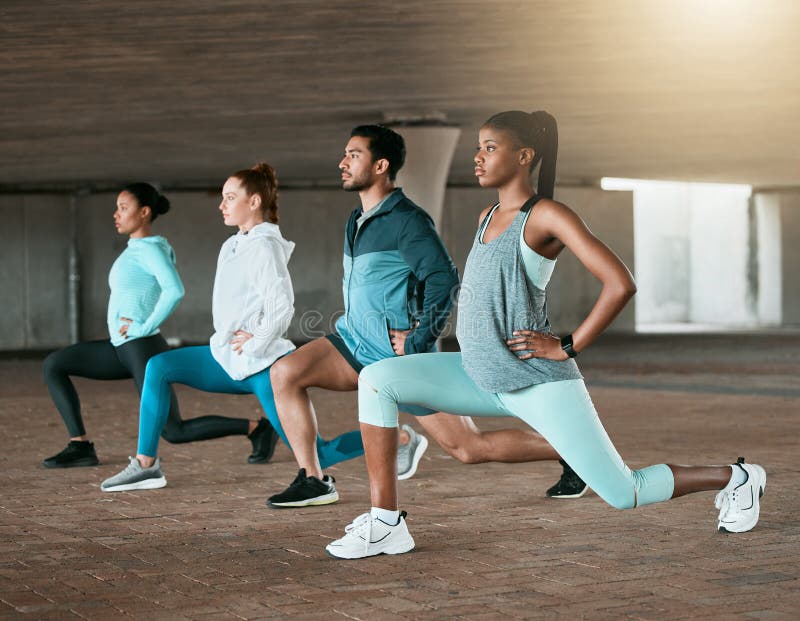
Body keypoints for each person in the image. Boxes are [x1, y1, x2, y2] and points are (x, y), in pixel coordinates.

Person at [325, 111, 767, 559]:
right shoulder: (488, 214)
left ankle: (738, 478)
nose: (477, 157)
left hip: (535, 380)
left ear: (524, 155)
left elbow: (620, 283)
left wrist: (568, 345)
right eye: (478, 147)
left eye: (490, 148)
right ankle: (386, 523)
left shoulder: (546, 215)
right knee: (378, 378)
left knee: (624, 492)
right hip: (478, 374)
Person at [267, 124, 585, 508]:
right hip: (353, 342)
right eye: (345, 155)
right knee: (285, 372)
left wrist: (418, 338)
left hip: (398, 357)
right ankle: (314, 479)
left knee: (468, 448)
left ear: (381, 165)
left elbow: (443, 277)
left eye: (354, 155)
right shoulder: (356, 220)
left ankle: (574, 454)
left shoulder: (407, 221)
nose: (343, 163)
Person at [100, 164, 363, 492]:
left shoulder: (265, 246)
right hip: (224, 357)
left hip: (262, 366)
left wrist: (256, 341)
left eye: (229, 197)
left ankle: (397, 438)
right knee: (159, 366)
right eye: (222, 198)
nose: (221, 204)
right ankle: (145, 465)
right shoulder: (233, 244)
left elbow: (281, 305)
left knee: (318, 454)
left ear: (253, 202)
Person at [42, 183, 276, 469]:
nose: (116, 214)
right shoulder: (135, 249)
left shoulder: (150, 250)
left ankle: (257, 428)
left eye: (124, 208)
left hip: (142, 348)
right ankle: (79, 445)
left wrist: (143, 326)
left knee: (173, 431)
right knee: (55, 364)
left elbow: (174, 290)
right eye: (117, 208)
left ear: (144, 212)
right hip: (121, 348)